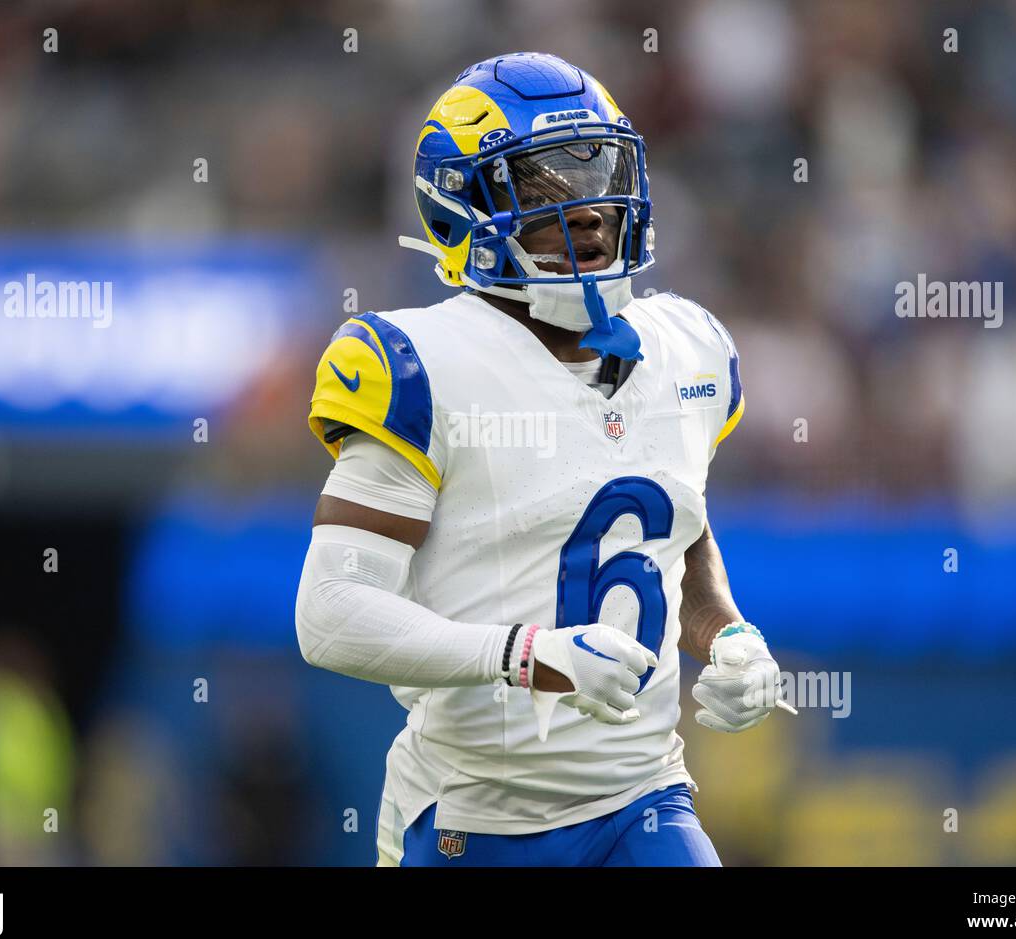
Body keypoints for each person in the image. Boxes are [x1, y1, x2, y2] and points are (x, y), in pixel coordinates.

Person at [295, 51, 785, 866]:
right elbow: (332, 610)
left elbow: (673, 529)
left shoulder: (687, 348)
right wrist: (524, 656)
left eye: (598, 173)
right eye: (543, 186)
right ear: (461, 207)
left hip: (644, 801)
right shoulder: (419, 365)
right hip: (475, 817)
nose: (589, 211)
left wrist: (729, 633)